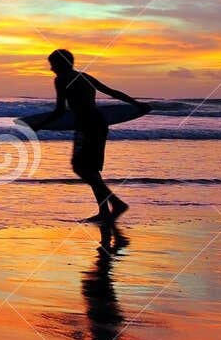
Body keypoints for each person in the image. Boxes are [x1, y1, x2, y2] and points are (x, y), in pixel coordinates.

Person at [31, 48, 145, 220]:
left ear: (62, 64)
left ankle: (116, 203)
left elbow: (60, 110)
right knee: (91, 169)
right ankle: (105, 212)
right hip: (100, 124)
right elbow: (113, 92)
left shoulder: (62, 79)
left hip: (86, 126)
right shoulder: (85, 77)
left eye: (53, 65)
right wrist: (137, 104)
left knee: (80, 167)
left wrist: (39, 126)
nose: (51, 69)